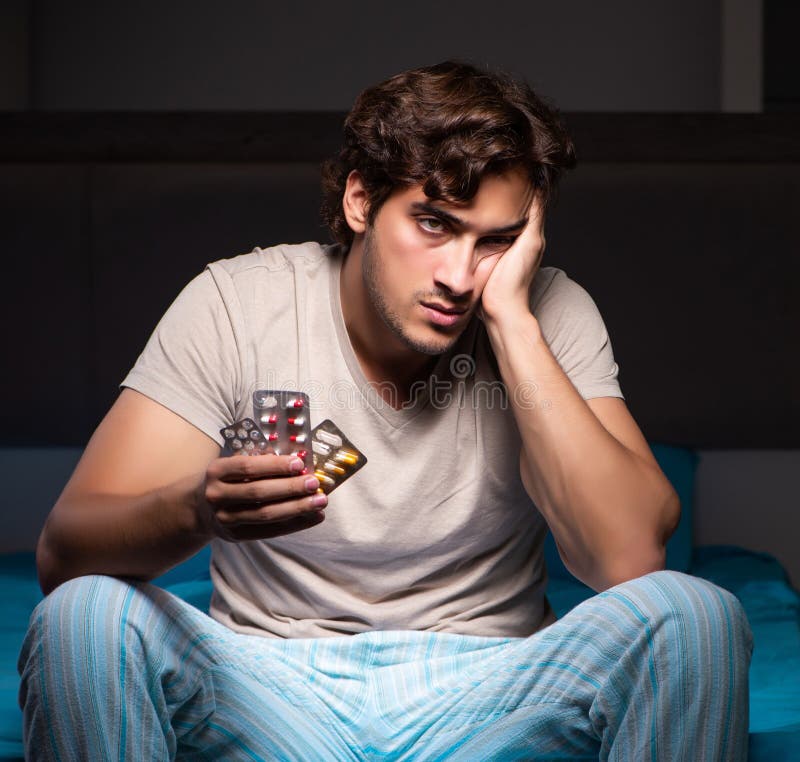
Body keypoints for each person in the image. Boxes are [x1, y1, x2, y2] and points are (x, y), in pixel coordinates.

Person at [19, 61, 753, 760]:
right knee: (82, 617)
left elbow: (628, 559)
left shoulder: (547, 310)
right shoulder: (236, 302)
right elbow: (64, 553)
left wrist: (514, 321)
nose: (459, 278)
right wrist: (196, 510)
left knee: (695, 617)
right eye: (434, 223)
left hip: (488, 686)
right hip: (272, 685)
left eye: (494, 241)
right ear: (361, 200)